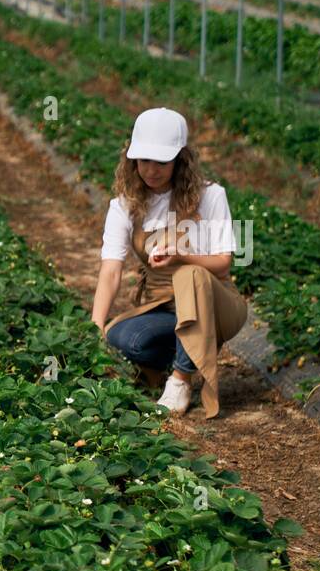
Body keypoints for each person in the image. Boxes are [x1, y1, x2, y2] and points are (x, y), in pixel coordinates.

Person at [89, 107, 248, 418]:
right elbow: (110, 270)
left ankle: (181, 379)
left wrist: (181, 254)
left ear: (180, 159)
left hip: (219, 303)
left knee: (191, 275)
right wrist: (95, 326)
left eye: (161, 162)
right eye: (143, 160)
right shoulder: (124, 205)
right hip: (164, 306)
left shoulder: (212, 196)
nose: (151, 170)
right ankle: (186, 351)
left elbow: (224, 263)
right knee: (123, 338)